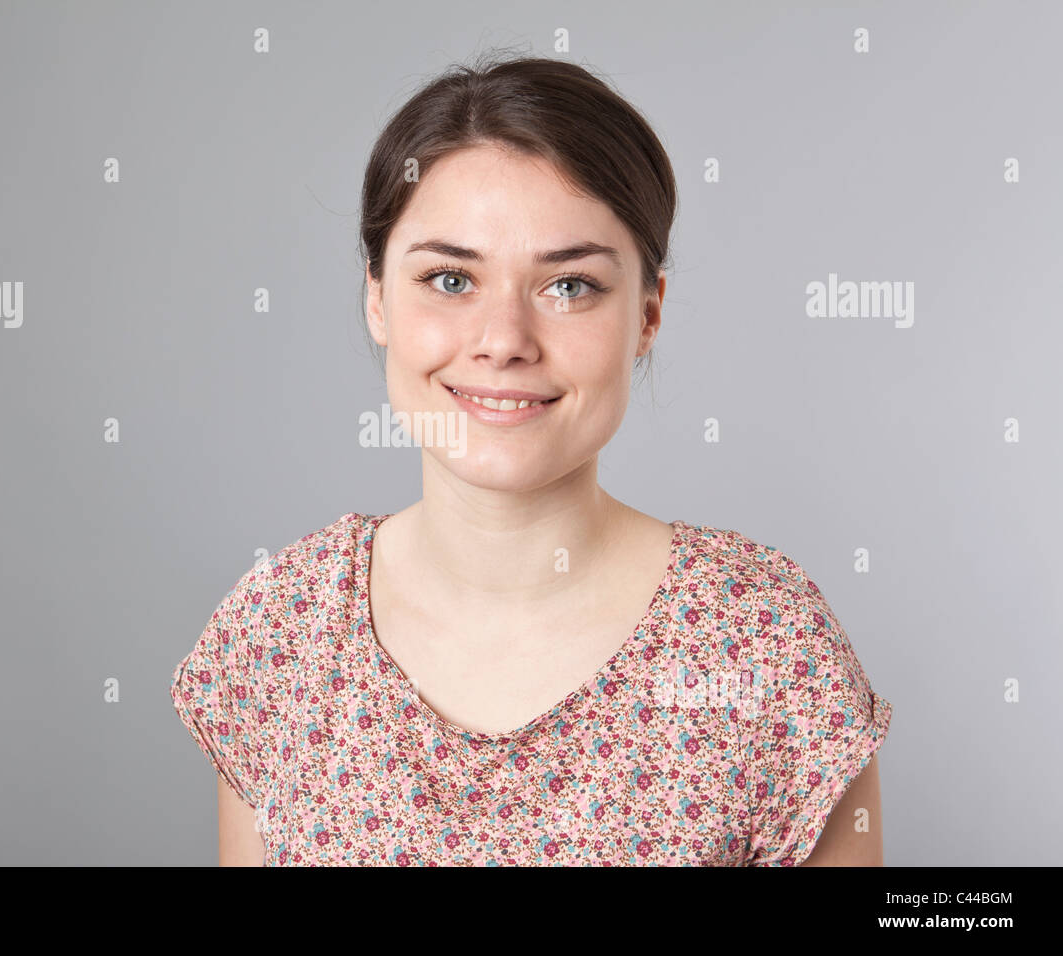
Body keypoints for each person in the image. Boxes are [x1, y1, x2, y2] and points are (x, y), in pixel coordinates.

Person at [171, 52, 892, 866]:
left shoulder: (762, 642)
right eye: (450, 280)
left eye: (570, 286)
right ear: (377, 297)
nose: (504, 342)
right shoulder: (279, 633)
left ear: (648, 315)